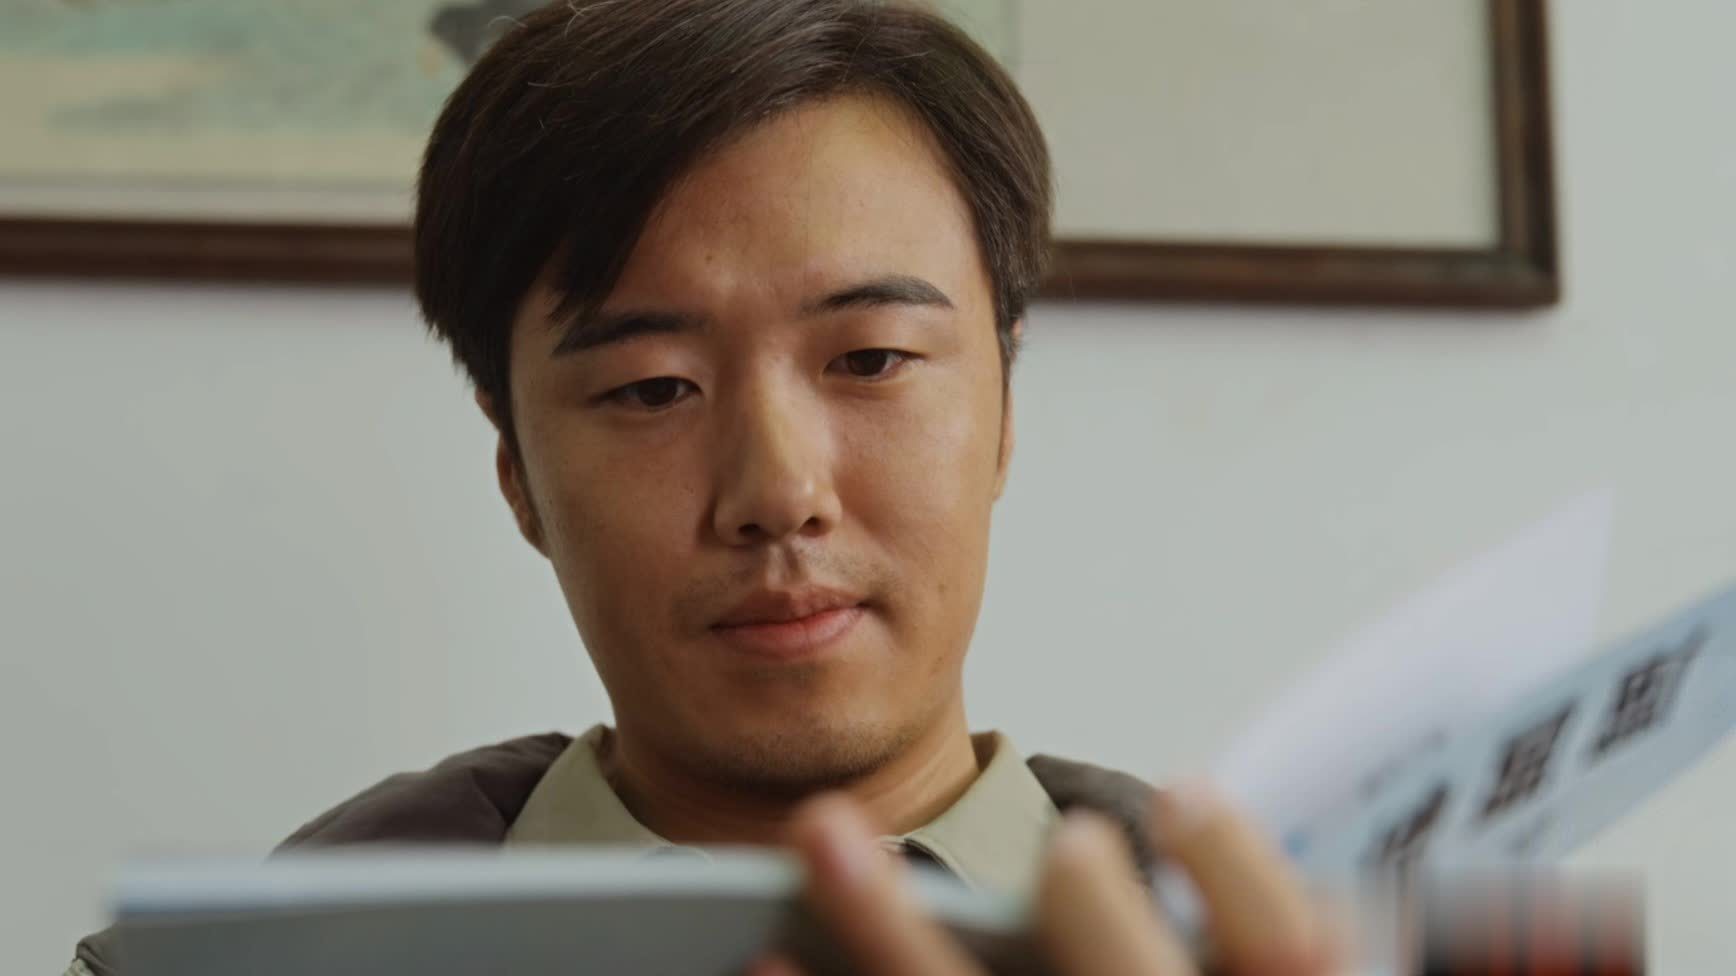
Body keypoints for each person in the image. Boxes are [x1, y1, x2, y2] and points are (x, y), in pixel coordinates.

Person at [70, 1, 1341, 972]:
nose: (777, 492)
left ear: (1003, 412)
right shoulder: (256, 961)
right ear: (517, 472)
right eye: (651, 389)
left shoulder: (1271, 939)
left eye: (869, 360)